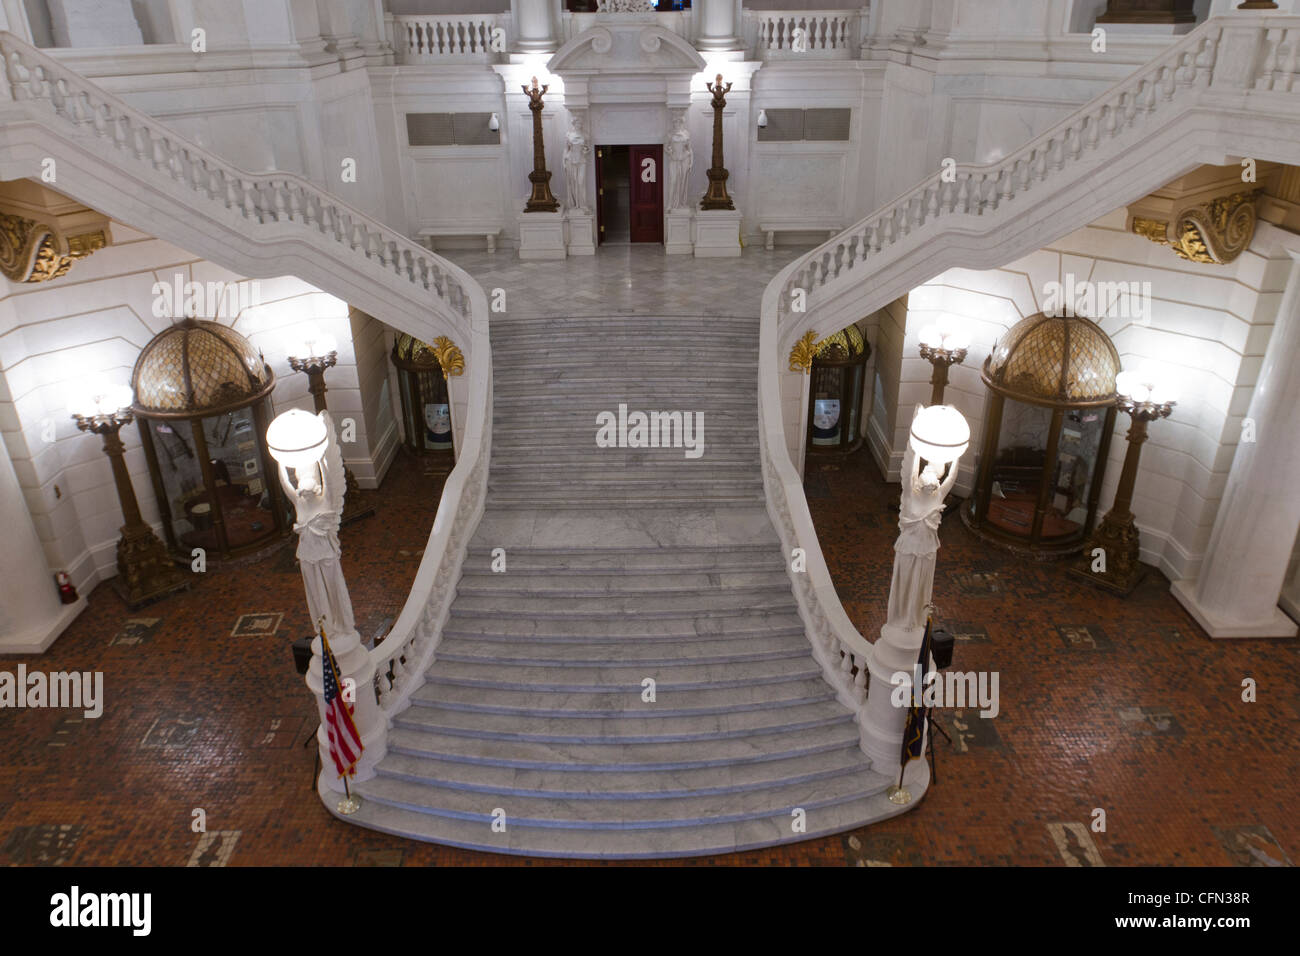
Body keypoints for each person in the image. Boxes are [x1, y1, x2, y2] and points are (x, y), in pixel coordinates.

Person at [888, 440, 959, 629]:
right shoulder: (911, 495)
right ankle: (901, 617)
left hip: (927, 550)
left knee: (920, 587)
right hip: (909, 549)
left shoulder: (938, 497)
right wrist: (917, 448)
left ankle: (914, 620)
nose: (930, 475)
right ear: (920, 480)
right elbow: (910, 469)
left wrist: (958, 454)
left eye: (933, 474)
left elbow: (951, 478)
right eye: (925, 472)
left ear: (936, 484)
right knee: (905, 585)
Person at [666, 114, 693, 212]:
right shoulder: (670, 134)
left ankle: (681, 202)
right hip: (674, 160)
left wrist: (691, 162)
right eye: (675, 122)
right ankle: (671, 204)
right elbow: (666, 147)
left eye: (678, 122)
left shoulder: (686, 134)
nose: (676, 124)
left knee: (682, 182)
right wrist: (670, 153)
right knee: (673, 181)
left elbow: (690, 149)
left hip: (685, 159)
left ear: (682, 123)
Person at [563, 115, 590, 212]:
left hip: (581, 160)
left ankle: (582, 204)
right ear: (574, 123)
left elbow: (587, 148)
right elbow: (566, 149)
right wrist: (564, 162)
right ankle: (575, 205)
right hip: (570, 159)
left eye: (581, 123)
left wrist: (586, 150)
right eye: (578, 123)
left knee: (580, 181)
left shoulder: (585, 135)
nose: (580, 125)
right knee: (573, 182)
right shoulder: (569, 135)